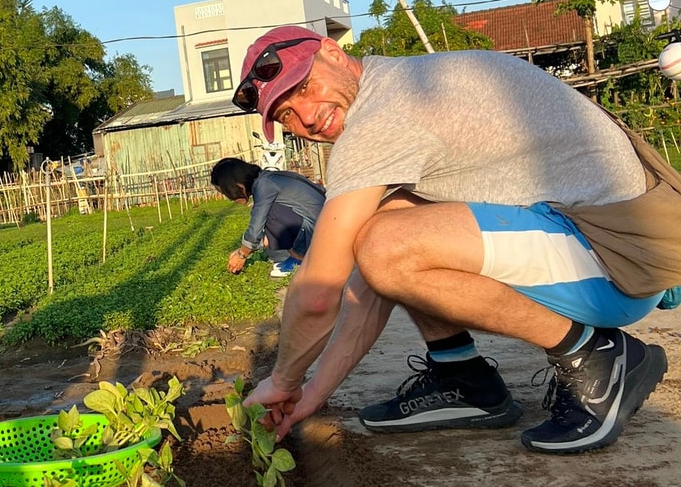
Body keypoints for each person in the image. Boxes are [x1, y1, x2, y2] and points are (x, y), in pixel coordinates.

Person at [234, 25, 669, 454]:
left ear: (332, 52)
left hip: (618, 260)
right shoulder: (401, 81)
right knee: (388, 223)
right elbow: (368, 287)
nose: (306, 116)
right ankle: (462, 377)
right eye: (286, 114)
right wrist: (310, 393)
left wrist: (283, 380)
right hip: (626, 246)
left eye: (305, 87)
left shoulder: (381, 118)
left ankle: (597, 356)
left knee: (387, 246)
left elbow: (318, 290)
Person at [209, 157, 325, 278]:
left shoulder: (264, 187)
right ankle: (299, 256)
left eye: (225, 192)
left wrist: (241, 254)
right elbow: (270, 234)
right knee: (267, 210)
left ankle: (300, 260)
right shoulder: (269, 178)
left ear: (237, 185)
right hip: (323, 225)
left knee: (269, 211)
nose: (228, 198)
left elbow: (256, 229)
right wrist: (243, 249)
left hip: (318, 232)